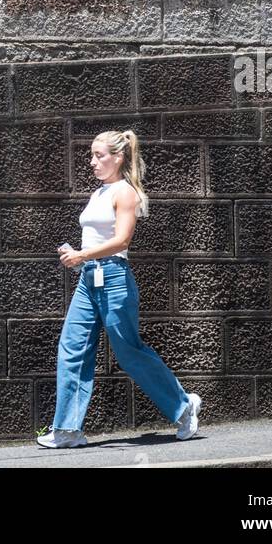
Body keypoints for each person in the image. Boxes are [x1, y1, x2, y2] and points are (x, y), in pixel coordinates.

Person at [37, 129, 202, 448]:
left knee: (129, 351)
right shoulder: (99, 192)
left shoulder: (125, 192)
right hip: (89, 279)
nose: (92, 162)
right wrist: (79, 257)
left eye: (99, 156)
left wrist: (82, 254)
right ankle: (68, 430)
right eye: (91, 155)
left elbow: (122, 240)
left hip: (113, 278)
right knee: (72, 348)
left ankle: (184, 407)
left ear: (118, 157)